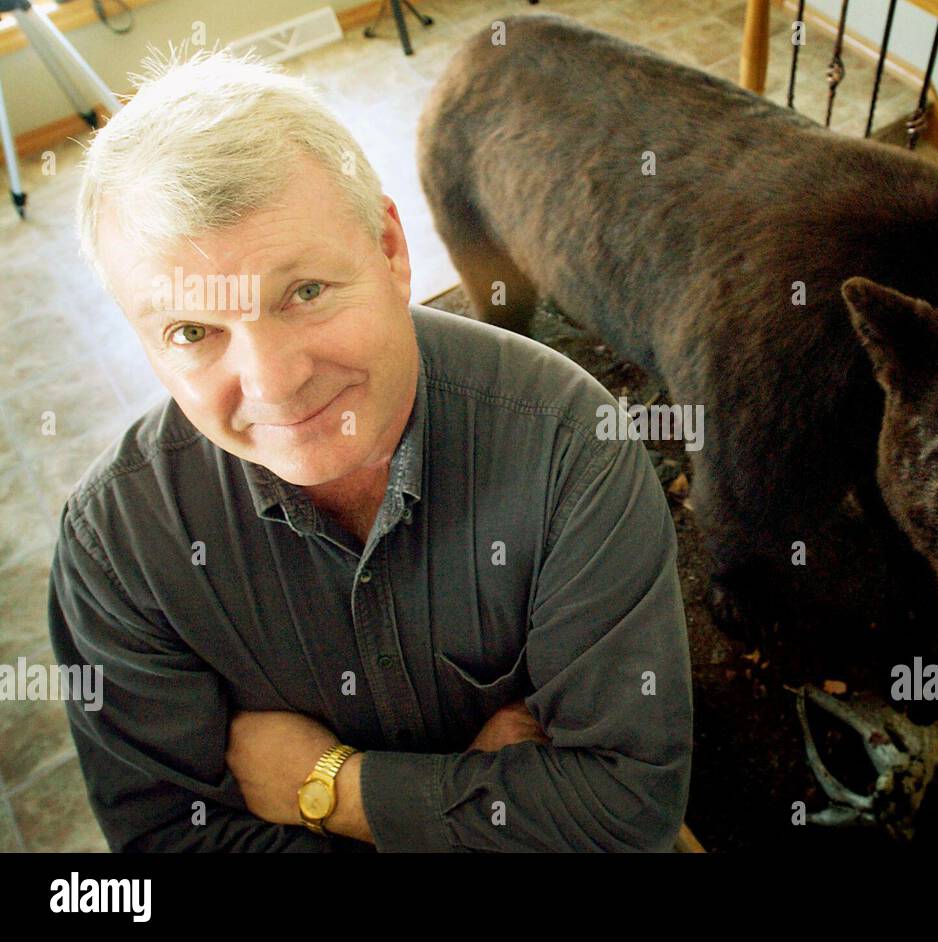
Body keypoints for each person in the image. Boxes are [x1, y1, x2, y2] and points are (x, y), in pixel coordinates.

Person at [49, 48, 692, 852]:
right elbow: (166, 843)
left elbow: (626, 811)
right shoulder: (118, 550)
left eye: (304, 292)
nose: (275, 384)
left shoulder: (569, 446)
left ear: (390, 249)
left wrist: (329, 788)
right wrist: (478, 798)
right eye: (192, 332)